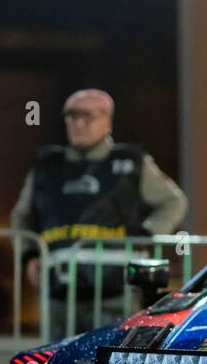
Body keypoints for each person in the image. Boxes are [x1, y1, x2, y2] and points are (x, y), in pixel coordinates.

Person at [11, 88, 188, 335]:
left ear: (107, 121)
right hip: (59, 289)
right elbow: (21, 215)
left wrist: (146, 233)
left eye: (87, 116)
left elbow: (174, 201)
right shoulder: (47, 165)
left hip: (116, 288)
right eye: (71, 115)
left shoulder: (131, 162)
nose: (78, 123)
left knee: (113, 361)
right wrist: (28, 254)